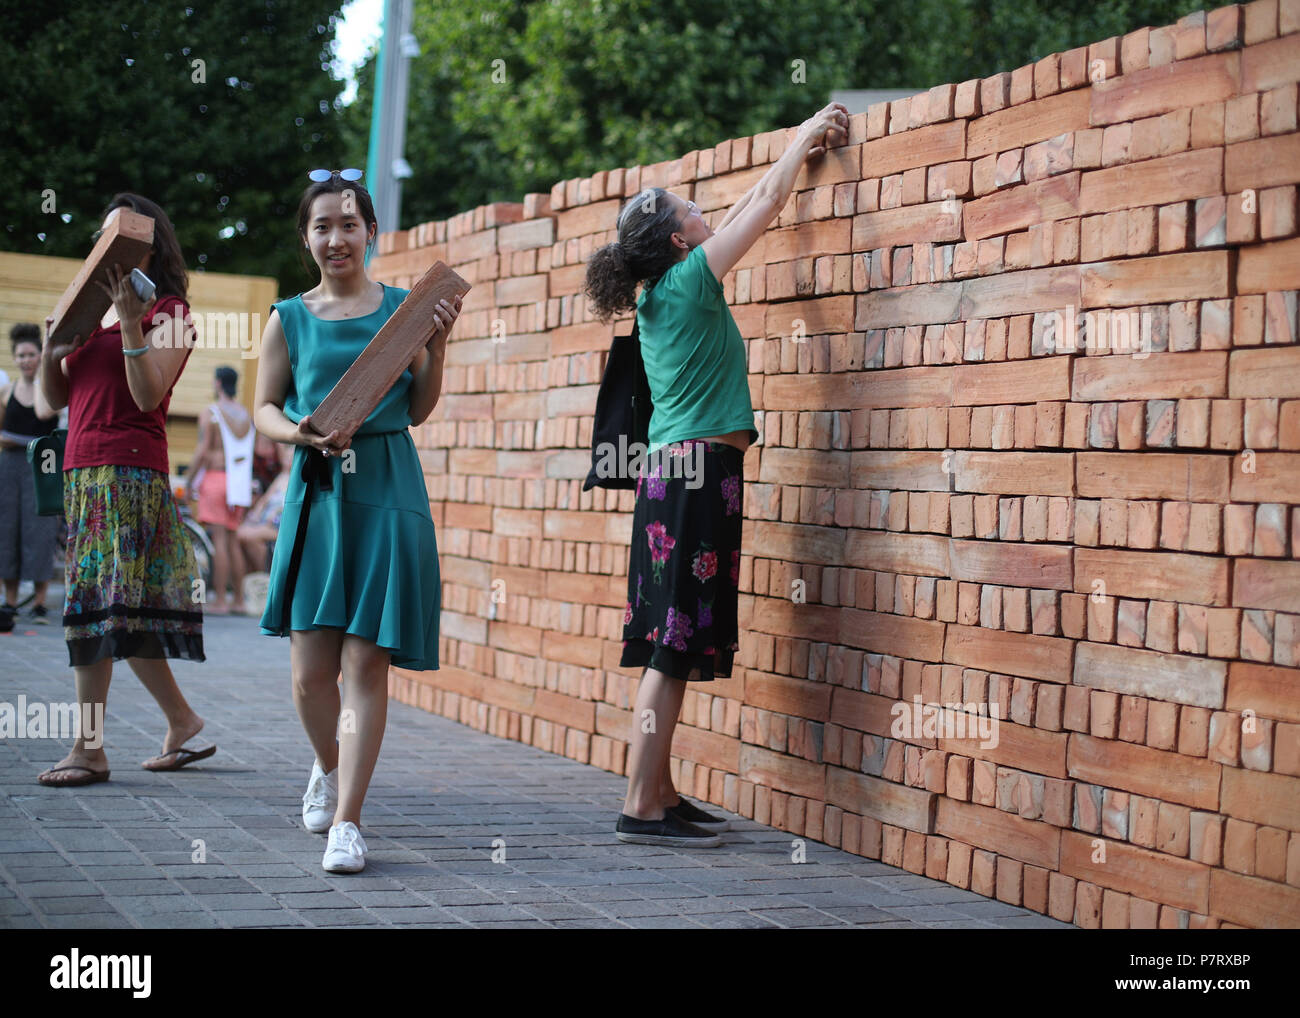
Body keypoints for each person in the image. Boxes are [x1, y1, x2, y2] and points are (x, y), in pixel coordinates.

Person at [584, 102, 849, 847]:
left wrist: (794, 153)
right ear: (679, 238)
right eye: (692, 209)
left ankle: (661, 792)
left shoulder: (668, 290)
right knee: (671, 646)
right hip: (696, 477)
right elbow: (762, 205)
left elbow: (745, 203)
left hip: (681, 479)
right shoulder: (693, 282)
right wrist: (802, 136)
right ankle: (640, 802)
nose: (707, 212)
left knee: (674, 636)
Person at [253, 168, 460, 873]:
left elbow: (421, 408)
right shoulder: (289, 317)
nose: (336, 237)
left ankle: (348, 820)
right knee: (312, 674)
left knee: (366, 660)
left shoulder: (407, 310)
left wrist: (441, 347)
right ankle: (327, 764)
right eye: (322, 226)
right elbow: (264, 408)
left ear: (371, 232)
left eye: (349, 224)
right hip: (318, 495)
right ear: (305, 237)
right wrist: (298, 434)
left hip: (389, 486)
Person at [35, 193, 214, 787]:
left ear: (149, 242)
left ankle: (89, 750)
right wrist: (52, 355)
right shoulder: (92, 315)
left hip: (129, 475)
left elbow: (145, 395)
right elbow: (54, 402)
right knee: (121, 613)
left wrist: (133, 321)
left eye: (121, 234)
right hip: (84, 473)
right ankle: (183, 721)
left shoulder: (171, 312)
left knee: (94, 609)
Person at [0, 323, 62, 629]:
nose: (26, 359)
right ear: (14, 358)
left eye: (31, 354)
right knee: (8, 531)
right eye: (20, 355)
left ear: (40, 356)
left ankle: (39, 603)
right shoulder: (6, 391)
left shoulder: (46, 387)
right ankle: (10, 601)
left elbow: (44, 417)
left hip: (42, 467)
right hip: (9, 468)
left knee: (41, 533)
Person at [188, 366, 254, 614]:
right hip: (238, 483)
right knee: (233, 540)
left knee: (219, 541)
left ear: (217, 384)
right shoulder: (245, 414)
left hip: (216, 481)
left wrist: (189, 479)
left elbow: (203, 450)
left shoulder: (211, 412)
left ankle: (220, 602)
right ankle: (239, 600)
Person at [236, 440, 293, 574]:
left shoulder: (296, 480)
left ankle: (265, 575)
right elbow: (265, 499)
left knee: (245, 535)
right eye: (285, 457)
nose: (286, 459)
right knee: (241, 532)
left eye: (290, 457)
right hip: (266, 523)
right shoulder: (282, 476)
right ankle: (254, 577)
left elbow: (288, 506)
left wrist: (273, 516)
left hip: (279, 526)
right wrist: (255, 514)